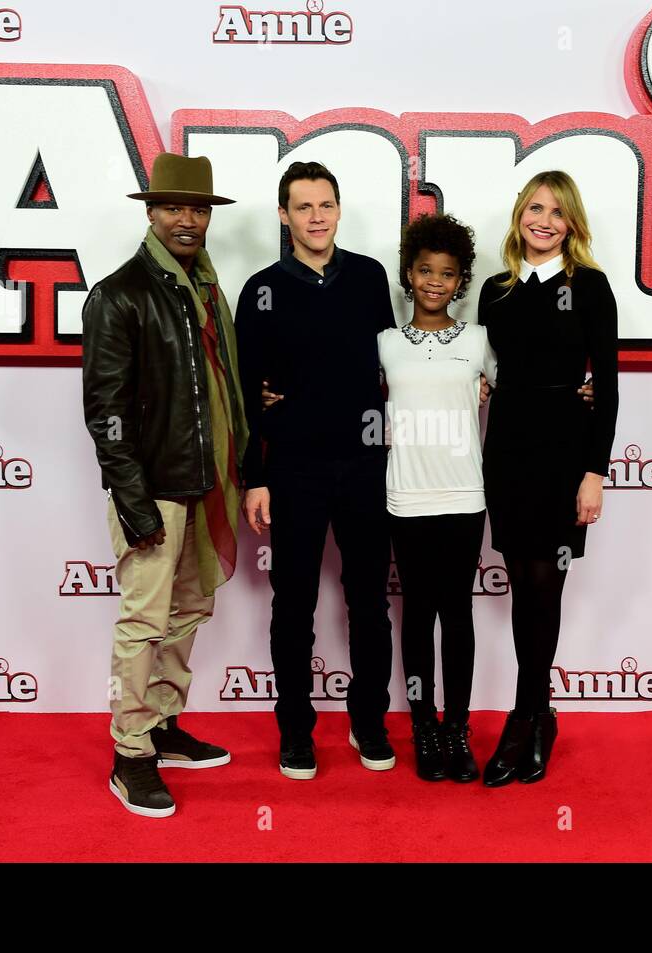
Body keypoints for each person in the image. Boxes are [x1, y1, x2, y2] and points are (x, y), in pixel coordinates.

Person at [82, 152, 248, 818]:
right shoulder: (121, 293)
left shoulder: (202, 287)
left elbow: (211, 384)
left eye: (198, 208)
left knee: (187, 611)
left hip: (201, 480)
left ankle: (162, 723)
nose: (187, 219)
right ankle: (129, 752)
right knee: (145, 620)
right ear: (150, 213)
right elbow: (106, 409)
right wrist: (132, 497)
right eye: (174, 207)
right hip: (152, 487)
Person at [236, 160, 398, 780]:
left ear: (338, 207)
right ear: (284, 215)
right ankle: (296, 732)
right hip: (295, 467)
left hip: (365, 464)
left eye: (325, 204)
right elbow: (250, 392)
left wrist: (468, 383)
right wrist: (256, 475)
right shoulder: (261, 289)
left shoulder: (368, 276)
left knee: (370, 605)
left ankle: (369, 722)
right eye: (303, 207)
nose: (316, 217)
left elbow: (393, 367)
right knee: (294, 604)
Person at [477, 170, 619, 786]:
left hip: (564, 452)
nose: (544, 220)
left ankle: (527, 715)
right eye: (535, 208)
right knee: (520, 583)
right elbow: (480, 366)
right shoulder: (494, 290)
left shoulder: (589, 286)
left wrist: (595, 472)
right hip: (507, 448)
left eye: (557, 212)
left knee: (545, 586)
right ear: (519, 215)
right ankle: (535, 713)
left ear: (571, 224)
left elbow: (608, 385)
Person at [378, 213, 494, 783]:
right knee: (418, 614)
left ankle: (457, 729)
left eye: (446, 274)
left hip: (464, 495)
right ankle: (424, 724)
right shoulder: (385, 344)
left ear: (460, 280)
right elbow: (336, 390)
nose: (433, 282)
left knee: (459, 613)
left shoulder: (478, 343)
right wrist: (274, 393)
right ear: (409, 273)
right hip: (407, 497)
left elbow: (524, 391)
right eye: (424, 270)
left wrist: (582, 389)